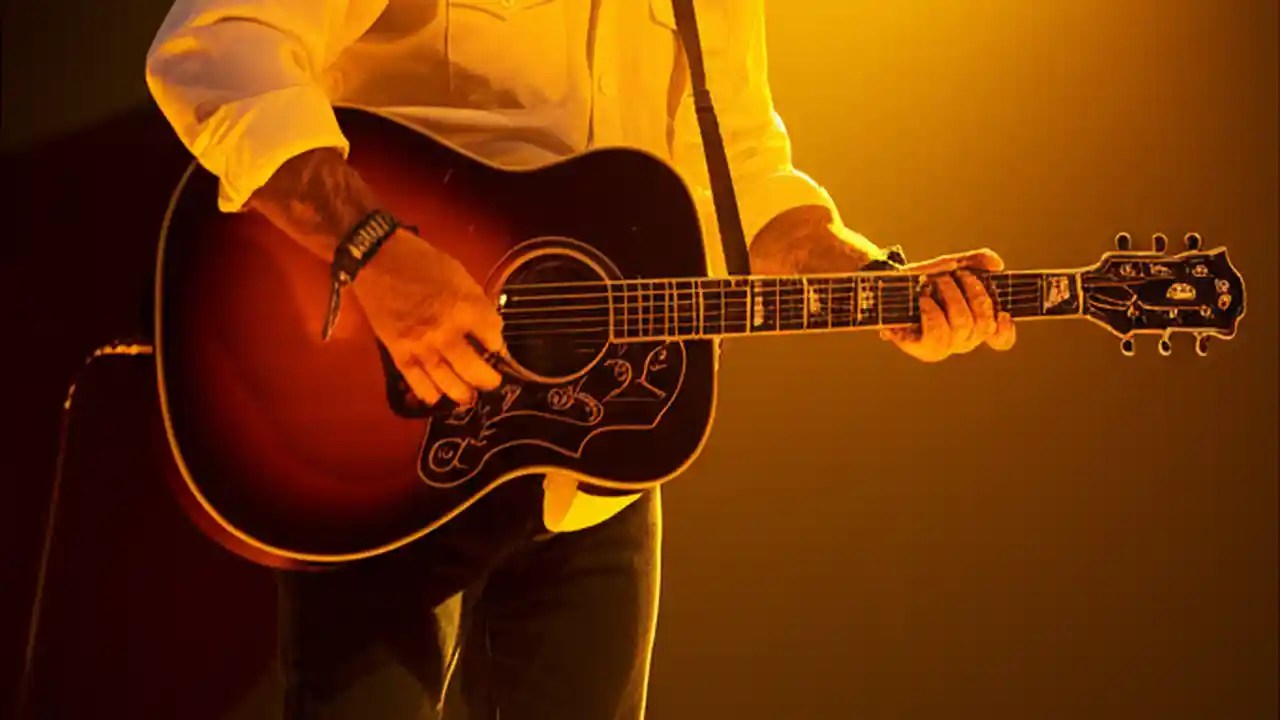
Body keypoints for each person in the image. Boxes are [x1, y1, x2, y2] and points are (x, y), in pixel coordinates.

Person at [145, 1, 1017, 717]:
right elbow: (216, 48)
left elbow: (742, 172)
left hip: (598, 460)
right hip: (377, 419)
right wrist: (372, 247)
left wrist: (885, 283)